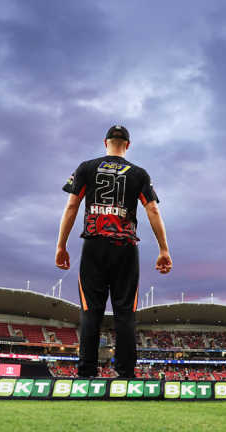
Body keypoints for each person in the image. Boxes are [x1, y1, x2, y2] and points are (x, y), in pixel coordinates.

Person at [56, 125, 172, 378]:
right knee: (125, 313)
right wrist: (164, 249)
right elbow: (153, 210)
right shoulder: (139, 173)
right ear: (128, 145)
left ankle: (86, 374)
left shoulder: (86, 167)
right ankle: (126, 374)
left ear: (105, 142)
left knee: (90, 311)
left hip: (94, 245)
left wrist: (61, 245)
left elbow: (72, 205)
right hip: (126, 247)